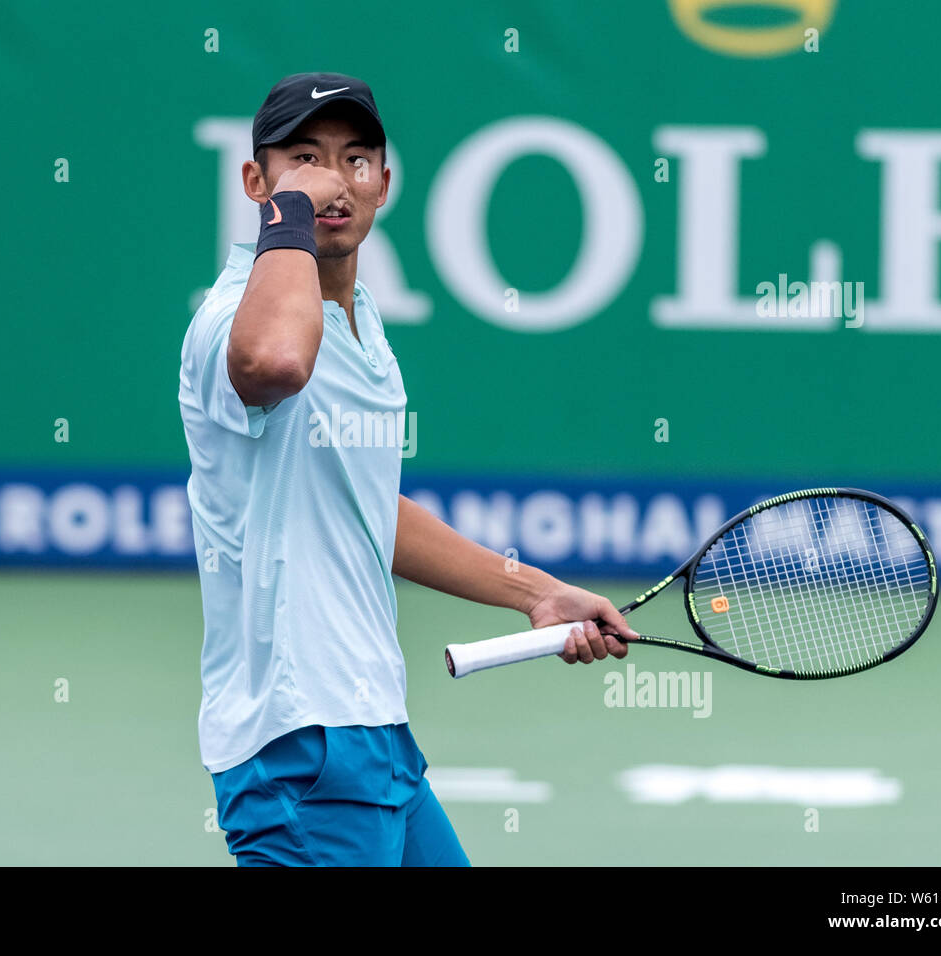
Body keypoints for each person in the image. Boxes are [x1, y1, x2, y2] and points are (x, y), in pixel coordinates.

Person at [178, 71, 638, 866]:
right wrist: (289, 214)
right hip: (300, 748)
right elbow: (277, 362)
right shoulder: (231, 316)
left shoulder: (362, 322)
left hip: (377, 736)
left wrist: (536, 593)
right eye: (304, 159)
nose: (334, 179)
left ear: (383, 185)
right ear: (255, 181)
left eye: (356, 160)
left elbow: (367, 510)